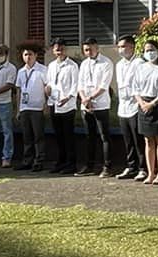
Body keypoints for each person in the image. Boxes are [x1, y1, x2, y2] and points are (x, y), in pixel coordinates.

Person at [75, 36, 114, 177]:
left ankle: (107, 166)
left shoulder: (106, 63)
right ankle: (89, 165)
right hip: (86, 105)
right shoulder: (84, 64)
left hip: (101, 104)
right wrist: (84, 100)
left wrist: (90, 98)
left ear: (97, 48)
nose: (89, 52)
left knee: (104, 136)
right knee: (89, 136)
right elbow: (80, 84)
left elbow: (104, 86)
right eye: (86, 50)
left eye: (91, 49)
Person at [111, 36, 148, 180]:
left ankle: (143, 168)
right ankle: (131, 166)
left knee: (138, 139)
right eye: (119, 47)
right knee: (127, 139)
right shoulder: (119, 64)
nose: (121, 49)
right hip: (123, 106)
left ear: (132, 47)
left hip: (135, 104)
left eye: (124, 46)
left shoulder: (139, 63)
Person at [131, 40, 158, 182]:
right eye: (147, 50)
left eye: (152, 49)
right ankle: (151, 172)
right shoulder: (140, 68)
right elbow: (135, 88)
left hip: (156, 105)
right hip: (143, 104)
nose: (150, 53)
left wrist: (152, 104)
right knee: (148, 140)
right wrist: (142, 103)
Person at [45, 41, 80, 174]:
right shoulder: (51, 65)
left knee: (68, 135)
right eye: (56, 49)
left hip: (67, 105)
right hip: (54, 103)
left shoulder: (72, 66)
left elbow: (75, 85)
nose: (59, 51)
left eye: (61, 48)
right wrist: (47, 89)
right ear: (53, 51)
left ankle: (71, 164)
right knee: (58, 135)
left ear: (66, 49)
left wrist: (68, 97)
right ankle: (61, 162)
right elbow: (50, 82)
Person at [15, 46, 49, 170]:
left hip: (37, 108)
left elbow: (47, 88)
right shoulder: (21, 71)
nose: (28, 57)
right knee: (27, 136)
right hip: (25, 108)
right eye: (25, 55)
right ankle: (27, 161)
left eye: (30, 54)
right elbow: (19, 91)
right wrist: (18, 109)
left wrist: (46, 105)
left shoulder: (42, 70)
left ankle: (39, 161)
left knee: (38, 136)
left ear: (35, 55)